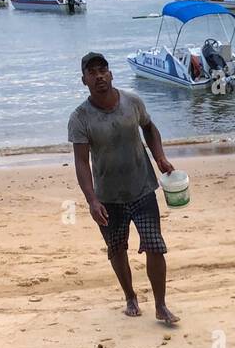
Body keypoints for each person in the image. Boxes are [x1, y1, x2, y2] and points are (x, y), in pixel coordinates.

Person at [69, 53, 179, 326]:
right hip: (108, 196)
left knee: (155, 245)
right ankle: (130, 296)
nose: (99, 76)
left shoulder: (132, 102)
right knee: (116, 248)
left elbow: (149, 129)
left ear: (111, 73)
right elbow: (82, 163)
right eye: (92, 72)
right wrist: (92, 200)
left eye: (103, 70)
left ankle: (161, 305)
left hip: (142, 187)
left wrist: (160, 157)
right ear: (84, 80)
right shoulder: (80, 118)